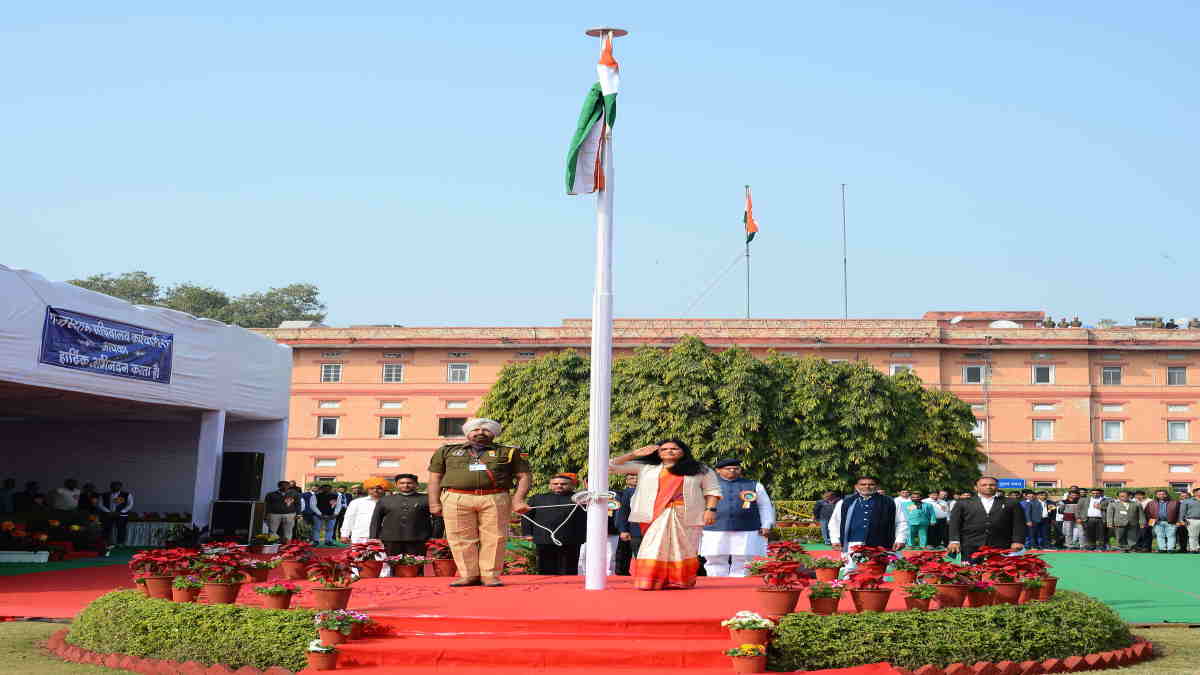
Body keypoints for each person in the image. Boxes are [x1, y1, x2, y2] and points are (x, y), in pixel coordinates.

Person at [427, 418, 532, 588]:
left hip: (495, 497)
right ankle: (468, 575)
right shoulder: (447, 451)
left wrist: (518, 499)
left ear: (494, 433)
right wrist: (434, 503)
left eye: (486, 430)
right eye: (475, 430)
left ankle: (490, 576)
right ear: (468, 433)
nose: (480, 433)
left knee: (495, 537)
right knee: (459, 537)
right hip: (456, 497)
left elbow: (524, 476)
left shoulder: (509, 452)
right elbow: (434, 478)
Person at [610, 439, 721, 590]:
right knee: (653, 547)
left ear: (683, 451)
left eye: (674, 448)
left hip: (686, 515)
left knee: (682, 549)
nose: (669, 451)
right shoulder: (647, 467)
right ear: (658, 453)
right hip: (655, 515)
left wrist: (711, 510)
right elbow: (609, 466)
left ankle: (679, 580)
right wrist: (633, 454)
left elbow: (712, 490)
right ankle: (651, 580)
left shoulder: (699, 469)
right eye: (664, 449)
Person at [699, 458, 775, 577]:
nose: (732, 471)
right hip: (714, 527)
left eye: (736, 468)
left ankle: (740, 583)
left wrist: (766, 525)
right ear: (718, 470)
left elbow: (765, 506)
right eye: (728, 469)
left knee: (743, 559)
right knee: (715, 558)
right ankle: (716, 581)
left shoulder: (754, 485)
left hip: (746, 528)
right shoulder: (707, 485)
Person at [828, 476, 908, 571]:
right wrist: (835, 539)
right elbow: (835, 522)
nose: (867, 486)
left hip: (880, 544)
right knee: (850, 571)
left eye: (871, 484)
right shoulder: (845, 502)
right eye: (863, 484)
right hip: (852, 543)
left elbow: (901, 522)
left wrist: (900, 539)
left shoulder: (891, 502)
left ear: (877, 487)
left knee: (877, 571)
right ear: (856, 486)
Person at [948, 476, 1026, 563]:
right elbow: (955, 523)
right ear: (976, 487)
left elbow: (1019, 523)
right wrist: (954, 541)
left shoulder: (1011, 502)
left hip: (1001, 544)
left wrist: (1018, 541)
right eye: (984, 485)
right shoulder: (963, 503)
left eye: (992, 485)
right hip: (971, 544)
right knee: (970, 570)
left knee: (1000, 570)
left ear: (997, 486)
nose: (988, 487)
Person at [523, 474, 587, 575]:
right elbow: (527, 516)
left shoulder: (581, 500)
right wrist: (527, 533)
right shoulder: (537, 498)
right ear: (550, 485)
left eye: (563, 484)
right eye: (555, 484)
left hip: (571, 539)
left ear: (571, 486)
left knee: (569, 569)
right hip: (544, 539)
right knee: (546, 569)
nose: (559, 486)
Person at [370, 474, 434, 560]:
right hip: (391, 539)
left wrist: (435, 537)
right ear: (396, 485)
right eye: (402, 483)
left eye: (409, 483)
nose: (405, 485)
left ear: (416, 484)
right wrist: (373, 537)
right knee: (393, 565)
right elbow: (376, 520)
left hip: (418, 539)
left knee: (416, 565)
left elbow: (437, 519)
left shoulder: (427, 499)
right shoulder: (385, 500)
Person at [341, 477, 390, 544]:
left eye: (379, 488)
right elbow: (349, 519)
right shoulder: (357, 502)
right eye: (372, 488)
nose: (375, 490)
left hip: (383, 537)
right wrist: (345, 534)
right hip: (360, 537)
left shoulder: (391, 503)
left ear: (384, 489)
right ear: (367, 489)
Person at [613, 474, 640, 575]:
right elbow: (623, 512)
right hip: (630, 529)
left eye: (637, 477)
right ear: (626, 481)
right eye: (632, 478)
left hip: (643, 529)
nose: (635, 480)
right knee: (624, 554)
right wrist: (623, 529)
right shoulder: (626, 493)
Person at [98, 482, 133, 546]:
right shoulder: (104, 494)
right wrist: (108, 512)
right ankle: (106, 543)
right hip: (108, 514)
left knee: (121, 529)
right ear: (110, 487)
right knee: (106, 528)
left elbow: (130, 504)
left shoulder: (127, 494)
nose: (115, 487)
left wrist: (122, 511)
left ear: (120, 487)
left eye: (117, 486)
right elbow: (100, 504)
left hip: (121, 514)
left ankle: (120, 543)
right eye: (114, 486)